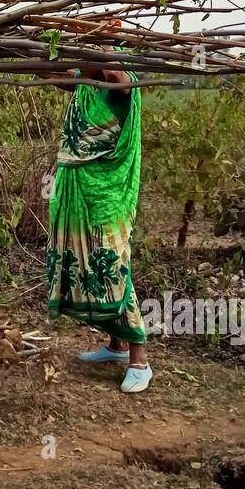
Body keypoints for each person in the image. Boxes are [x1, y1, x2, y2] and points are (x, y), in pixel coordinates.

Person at [45, 60, 151, 393]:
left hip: (106, 193)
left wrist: (95, 54)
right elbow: (58, 79)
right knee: (87, 261)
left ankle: (140, 361)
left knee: (112, 266)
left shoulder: (122, 82)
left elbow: (116, 76)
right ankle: (117, 347)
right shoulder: (88, 81)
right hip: (78, 187)